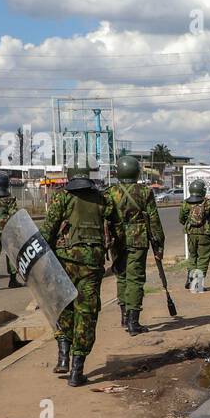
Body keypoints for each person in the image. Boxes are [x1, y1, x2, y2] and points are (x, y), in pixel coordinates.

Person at [44, 165, 118, 387]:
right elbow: (115, 230)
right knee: (86, 313)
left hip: (63, 263)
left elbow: (47, 231)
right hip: (91, 265)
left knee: (64, 307)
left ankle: (64, 353)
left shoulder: (62, 198)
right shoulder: (103, 200)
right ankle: (77, 371)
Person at [106, 154, 165, 334]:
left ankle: (124, 317)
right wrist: (159, 244)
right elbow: (154, 221)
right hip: (138, 239)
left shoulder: (109, 193)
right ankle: (133, 322)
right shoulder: (145, 192)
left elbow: (105, 219)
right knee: (135, 278)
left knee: (122, 277)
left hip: (117, 239)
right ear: (137, 172)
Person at [179, 180, 210, 289]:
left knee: (192, 256)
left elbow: (181, 219)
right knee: (203, 258)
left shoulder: (185, 203)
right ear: (203, 190)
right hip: (205, 234)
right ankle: (197, 284)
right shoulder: (208, 202)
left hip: (191, 234)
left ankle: (191, 277)